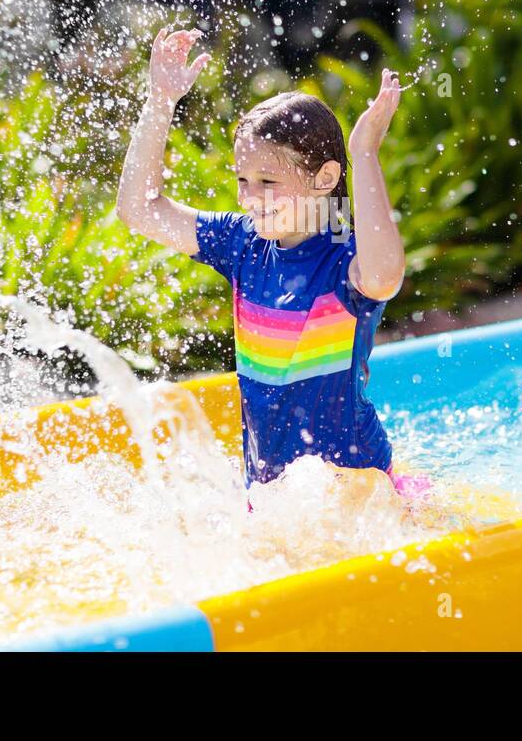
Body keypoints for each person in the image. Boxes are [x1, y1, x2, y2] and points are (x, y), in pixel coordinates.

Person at [116, 26, 431, 507]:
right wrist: (160, 101)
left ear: (326, 178)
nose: (249, 197)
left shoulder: (343, 255)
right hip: (270, 493)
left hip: (356, 491)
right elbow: (139, 210)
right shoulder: (241, 243)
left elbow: (385, 276)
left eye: (267, 181)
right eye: (243, 179)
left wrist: (364, 152)